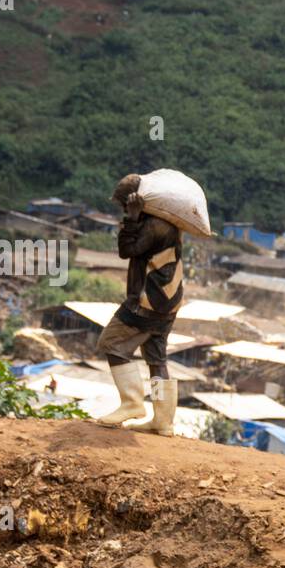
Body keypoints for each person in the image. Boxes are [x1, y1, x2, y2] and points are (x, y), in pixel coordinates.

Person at [93, 173, 185, 437]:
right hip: (169, 301)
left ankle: (132, 403)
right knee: (157, 358)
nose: (123, 208)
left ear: (136, 201)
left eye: (125, 204)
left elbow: (127, 250)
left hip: (146, 301)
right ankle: (163, 421)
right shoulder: (169, 223)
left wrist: (131, 220)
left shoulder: (154, 225)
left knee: (112, 343)